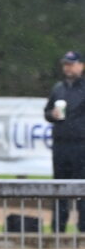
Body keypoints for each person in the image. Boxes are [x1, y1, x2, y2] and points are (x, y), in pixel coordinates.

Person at [44, 50, 85, 232]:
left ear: (81, 65)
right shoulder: (58, 88)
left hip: (81, 145)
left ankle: (83, 227)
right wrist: (52, 115)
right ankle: (58, 227)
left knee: (82, 187)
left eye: (71, 64)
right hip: (60, 145)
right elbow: (47, 112)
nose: (67, 68)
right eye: (65, 64)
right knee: (59, 187)